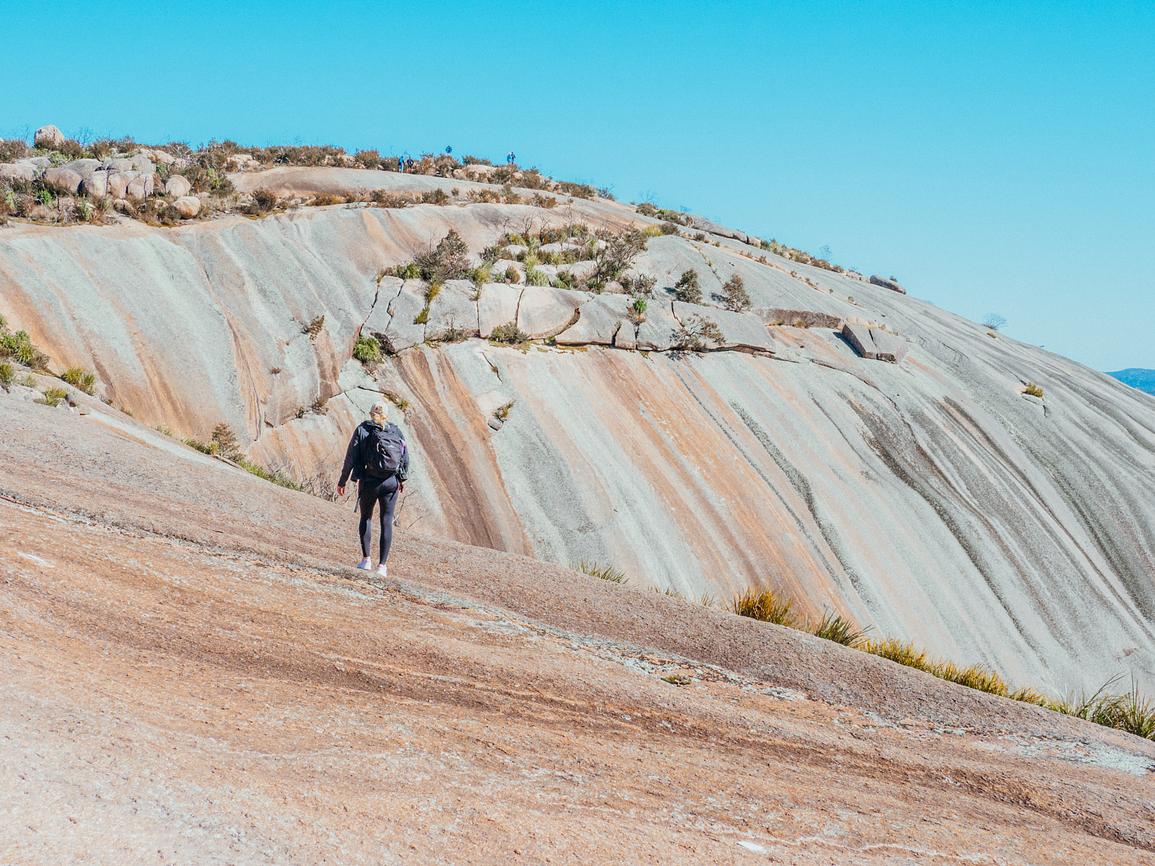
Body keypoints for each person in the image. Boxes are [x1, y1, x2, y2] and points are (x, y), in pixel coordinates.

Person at [337, 401, 410, 576]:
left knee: (366, 519)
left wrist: (343, 481)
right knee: (386, 521)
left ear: (371, 413)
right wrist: (402, 478)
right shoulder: (395, 430)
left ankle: (366, 560)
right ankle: (382, 566)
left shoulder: (363, 429)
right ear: (386, 415)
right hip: (390, 482)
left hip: (369, 481)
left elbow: (350, 458)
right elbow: (405, 456)